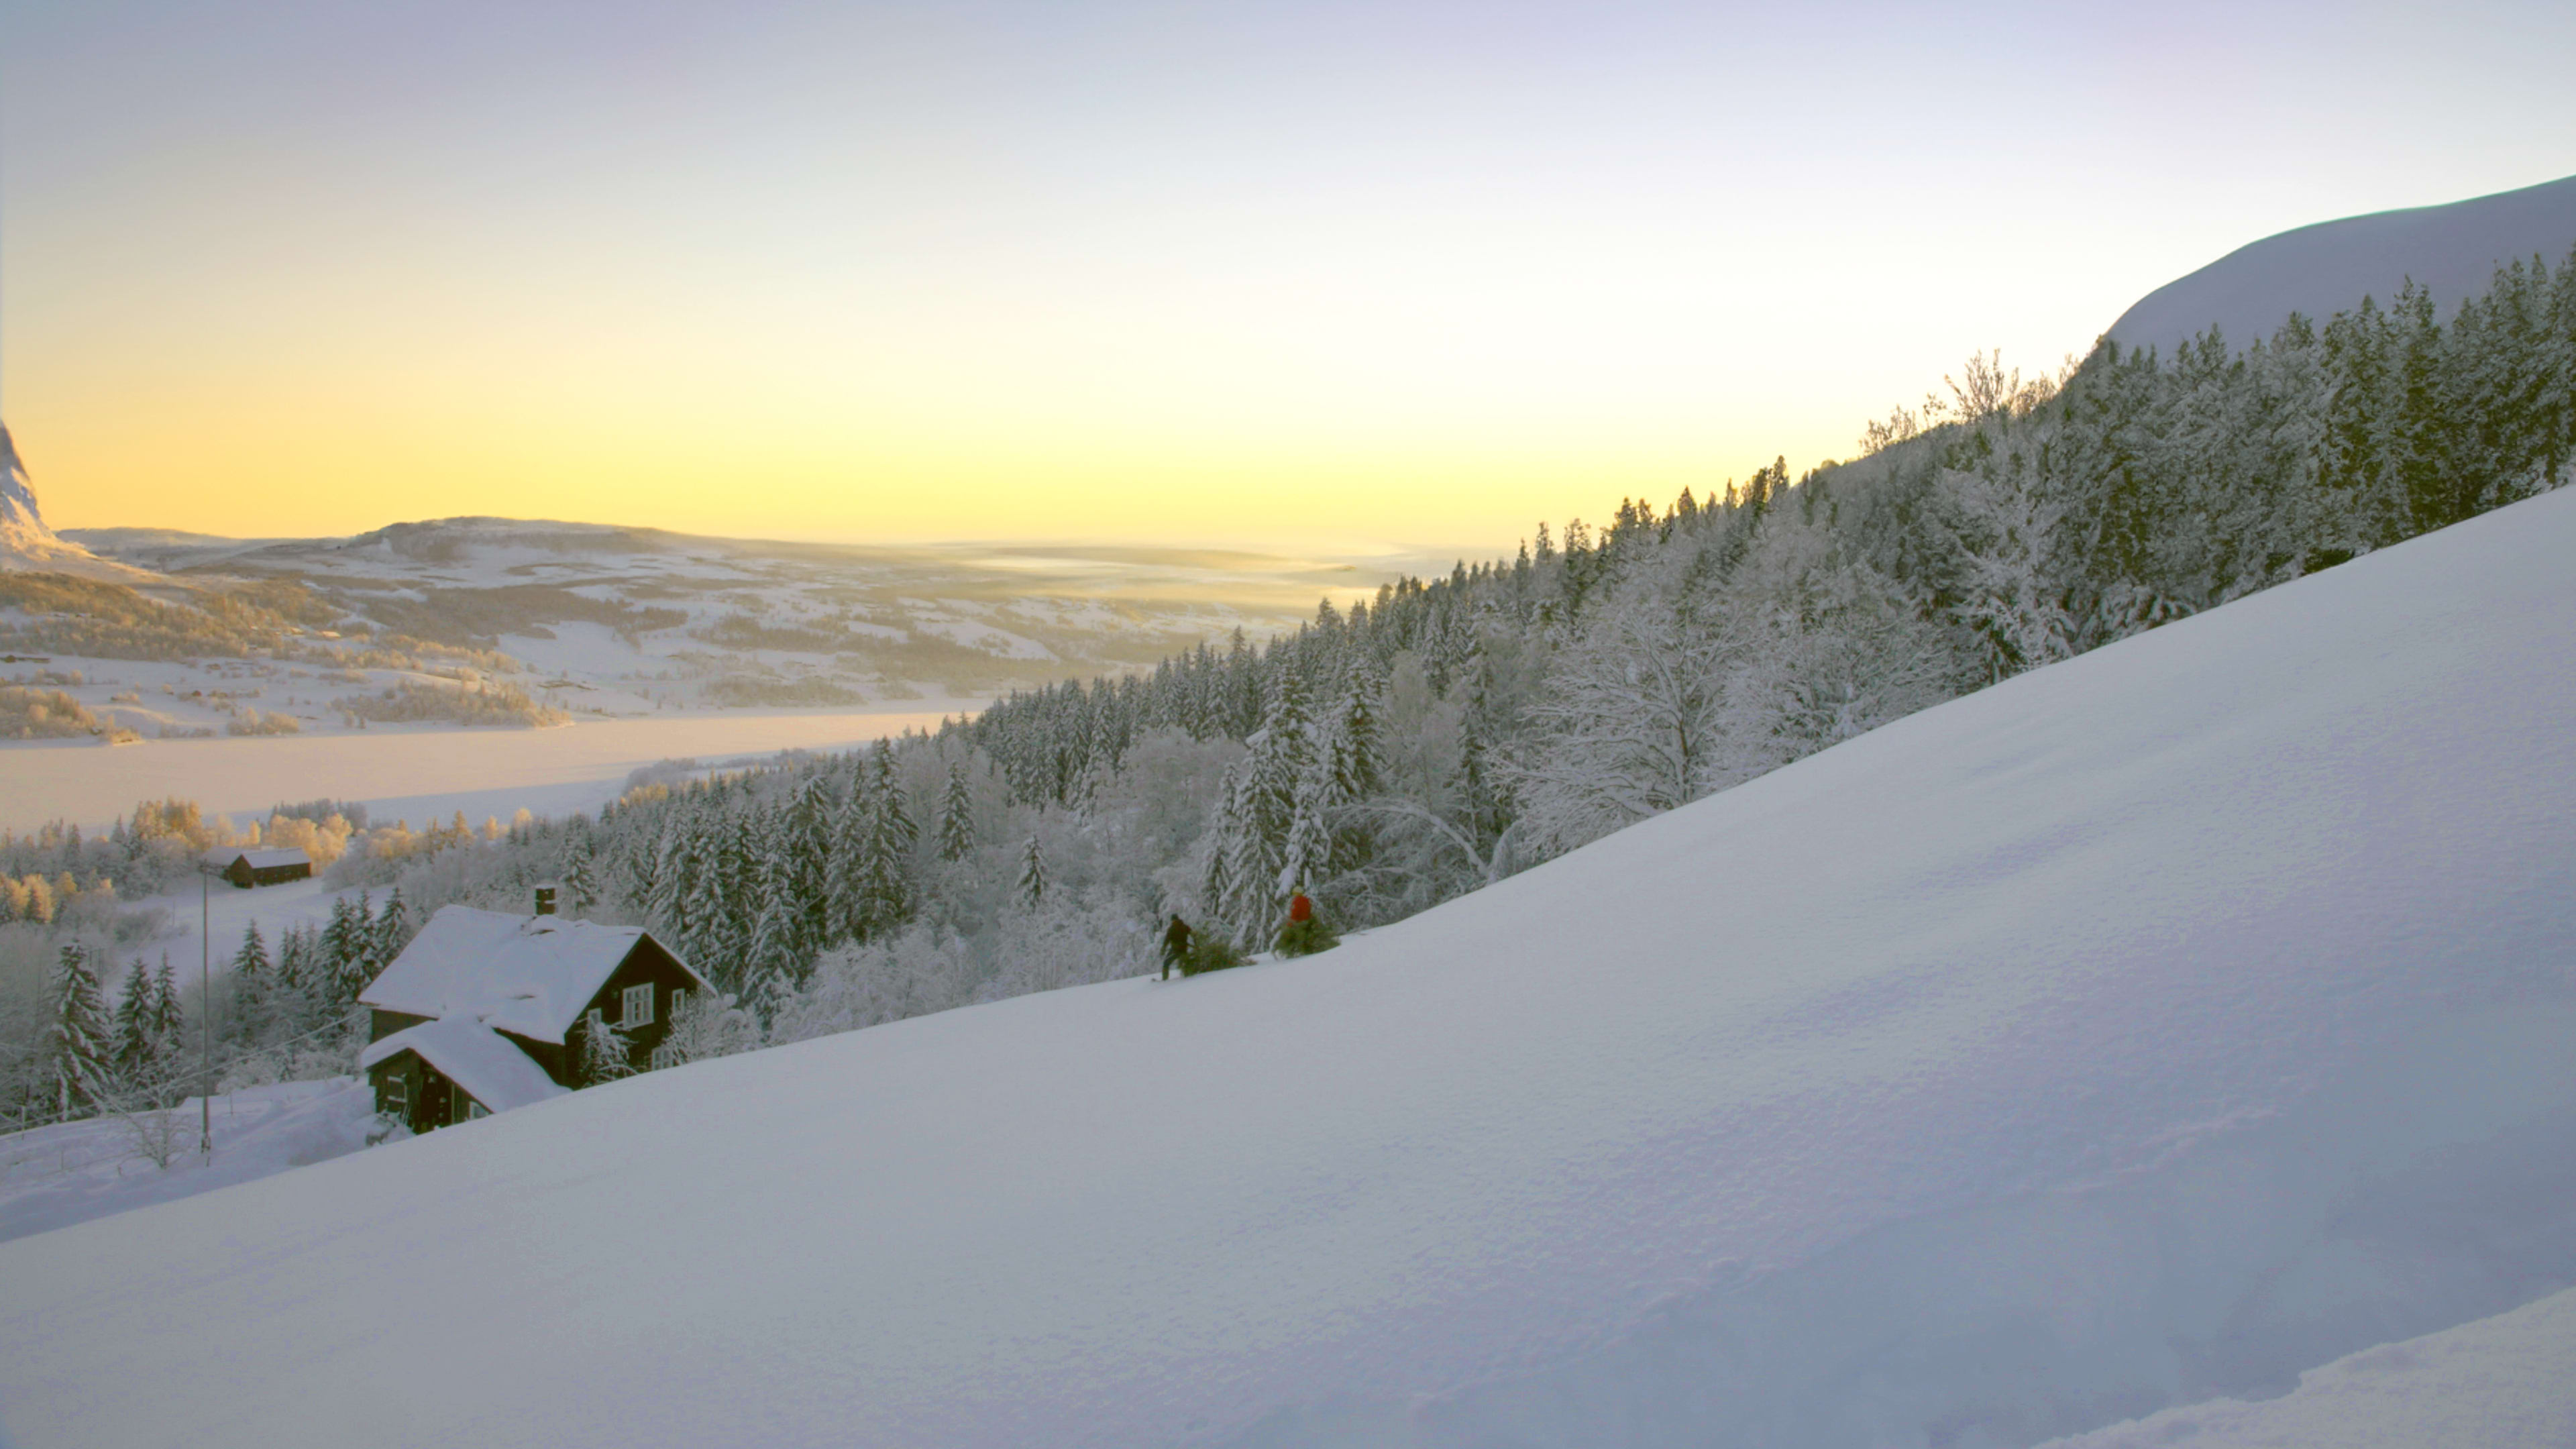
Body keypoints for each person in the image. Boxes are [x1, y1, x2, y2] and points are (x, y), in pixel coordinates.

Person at [1160, 914, 1193, 981]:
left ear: (1172, 920)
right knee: (1186, 963)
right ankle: (1189, 976)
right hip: (1184, 949)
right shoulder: (1185, 927)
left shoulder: (1172, 929)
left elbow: (1167, 939)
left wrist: (1163, 948)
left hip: (1175, 950)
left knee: (1166, 963)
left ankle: (1165, 980)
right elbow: (1194, 934)